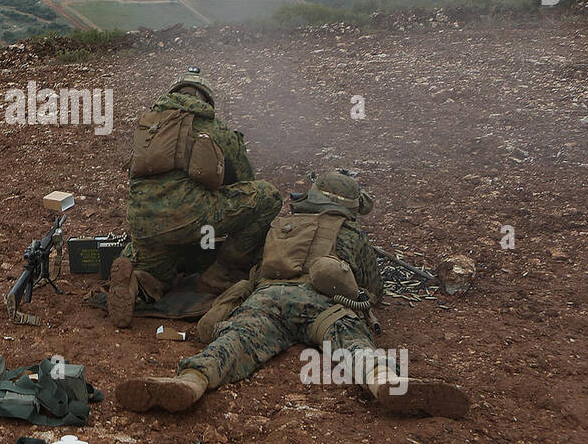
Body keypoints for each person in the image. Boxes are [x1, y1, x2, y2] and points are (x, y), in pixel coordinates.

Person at [115, 170, 470, 418]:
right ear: (350, 206)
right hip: (321, 305)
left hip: (267, 300)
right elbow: (371, 292)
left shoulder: (280, 226)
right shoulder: (352, 234)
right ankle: (384, 382)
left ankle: (191, 382)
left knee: (235, 340)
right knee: (352, 340)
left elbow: (255, 268)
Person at [107, 68, 281, 328]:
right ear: (206, 100)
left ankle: (135, 282)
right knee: (268, 196)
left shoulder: (148, 126)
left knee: (159, 276)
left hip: (144, 223)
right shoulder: (212, 126)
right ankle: (220, 274)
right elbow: (246, 180)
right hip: (192, 215)